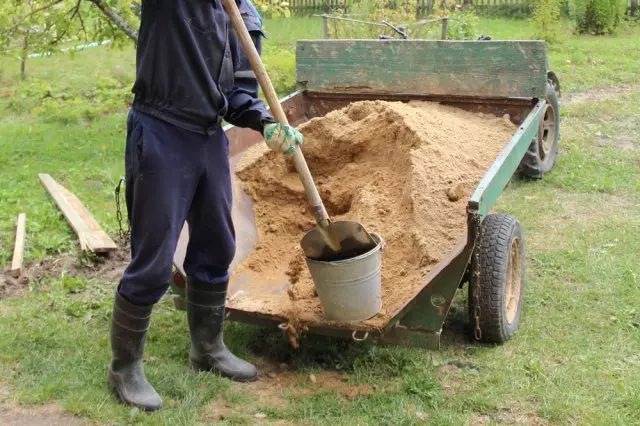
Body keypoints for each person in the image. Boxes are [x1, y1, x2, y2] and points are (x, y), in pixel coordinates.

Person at [108, 0, 302, 412]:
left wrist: (265, 122)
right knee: (155, 257)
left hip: (210, 137)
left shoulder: (246, 16)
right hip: (161, 130)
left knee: (217, 245)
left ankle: (208, 348)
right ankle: (125, 367)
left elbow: (238, 95)